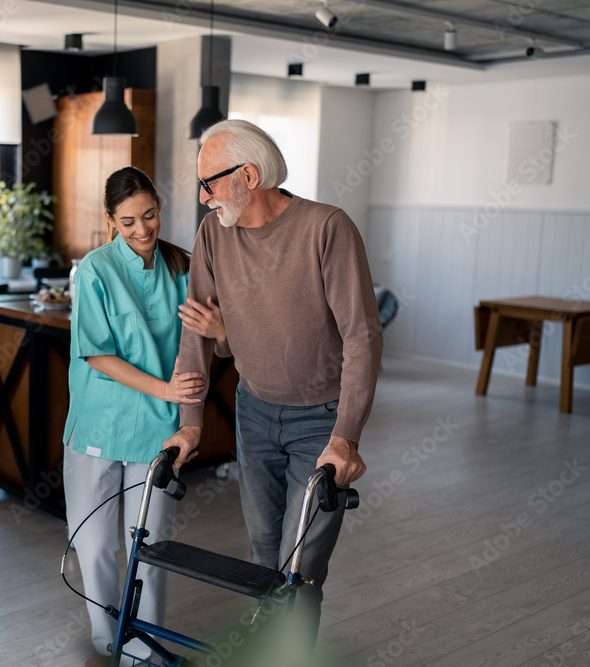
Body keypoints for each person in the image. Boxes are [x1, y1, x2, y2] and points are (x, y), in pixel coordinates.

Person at [167, 119, 383, 623]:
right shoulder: (213, 235)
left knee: (300, 566)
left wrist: (346, 436)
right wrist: (190, 423)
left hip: (321, 422)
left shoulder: (327, 227)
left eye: (208, 183)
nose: (202, 198)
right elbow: (197, 332)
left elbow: (362, 335)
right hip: (255, 411)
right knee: (264, 553)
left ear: (248, 175)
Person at [62, 166, 208, 666]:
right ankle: (110, 645)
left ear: (160, 206)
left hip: (158, 432)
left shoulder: (184, 268)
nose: (142, 230)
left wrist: (221, 331)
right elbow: (98, 354)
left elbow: (216, 346)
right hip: (99, 426)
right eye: (128, 222)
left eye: (149, 216)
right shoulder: (95, 270)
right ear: (111, 220)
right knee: (95, 545)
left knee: (152, 547)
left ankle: (142, 652)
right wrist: (167, 387)